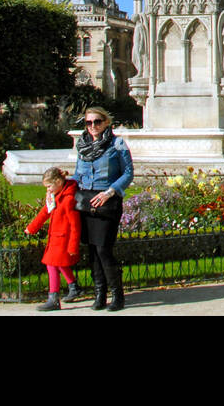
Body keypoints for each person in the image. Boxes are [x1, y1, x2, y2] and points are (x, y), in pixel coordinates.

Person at [73, 106, 134, 312]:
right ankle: (99, 294)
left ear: (106, 122)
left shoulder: (117, 144)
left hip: (107, 201)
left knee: (103, 249)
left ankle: (117, 295)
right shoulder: (82, 146)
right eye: (89, 122)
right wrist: (58, 187)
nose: (93, 126)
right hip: (86, 202)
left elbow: (128, 173)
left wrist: (110, 191)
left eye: (97, 122)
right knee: (92, 250)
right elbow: (77, 175)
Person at [25, 166, 82, 311]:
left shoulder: (68, 199)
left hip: (63, 239)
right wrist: (32, 228)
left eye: (49, 186)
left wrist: (73, 246)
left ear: (58, 182)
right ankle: (73, 286)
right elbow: (45, 212)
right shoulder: (56, 196)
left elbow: (75, 225)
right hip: (56, 237)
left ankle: (54, 298)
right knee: (60, 264)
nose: (48, 190)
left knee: (51, 265)